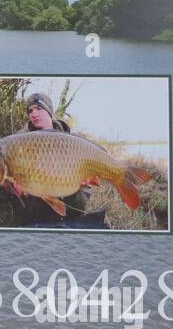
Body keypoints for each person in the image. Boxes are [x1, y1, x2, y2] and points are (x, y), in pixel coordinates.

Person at [13, 90, 107, 229]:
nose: (34, 114)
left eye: (39, 108)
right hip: (36, 207)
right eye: (30, 110)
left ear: (49, 112)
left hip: (70, 201)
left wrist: (81, 184)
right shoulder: (21, 141)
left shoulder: (70, 141)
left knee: (80, 189)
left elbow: (83, 200)